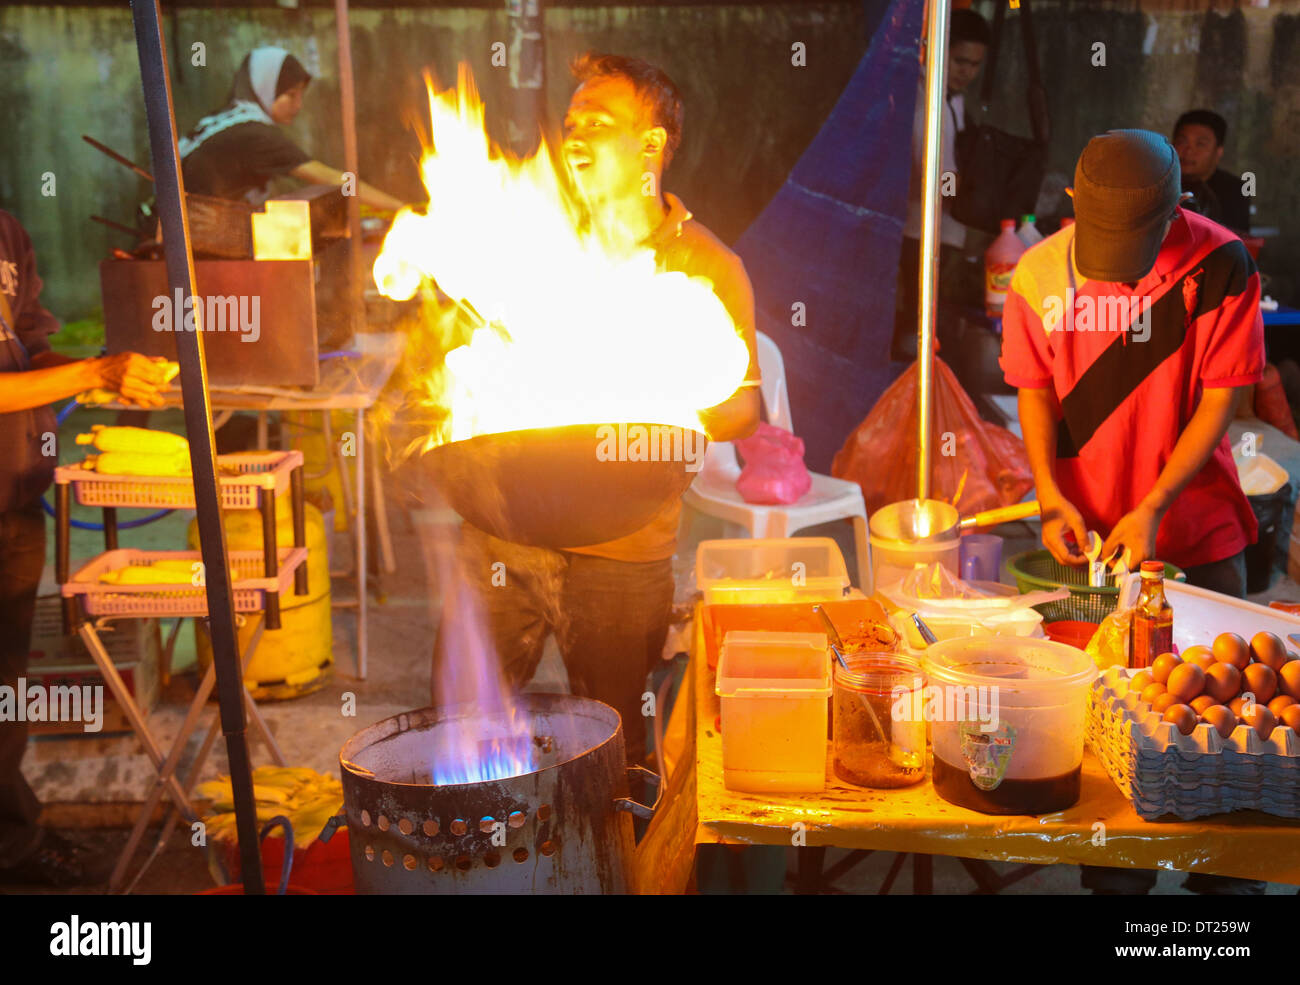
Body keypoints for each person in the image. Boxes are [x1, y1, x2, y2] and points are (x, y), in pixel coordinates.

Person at [433, 53, 761, 767]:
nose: (574, 136)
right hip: (504, 531)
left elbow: (744, 408)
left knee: (616, 751)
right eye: (571, 121)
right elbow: (479, 364)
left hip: (624, 547)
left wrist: (654, 398)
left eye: (600, 123)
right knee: (459, 736)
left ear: (652, 144)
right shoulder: (537, 243)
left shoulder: (708, 266)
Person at [1000, 130, 1265, 895]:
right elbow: (1035, 390)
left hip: (1197, 529)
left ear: (1177, 205)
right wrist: (1049, 495)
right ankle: (1119, 895)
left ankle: (1225, 901)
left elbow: (1223, 398)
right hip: (1090, 549)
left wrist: (1154, 502)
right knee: (1108, 746)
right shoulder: (1037, 273)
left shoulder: (1222, 264)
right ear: (1074, 205)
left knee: (1222, 726)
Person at [0, 209, 170, 887]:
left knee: (7, 687)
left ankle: (12, 841)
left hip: (14, 491)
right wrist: (98, 371)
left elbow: (31, 350)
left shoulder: (10, 228)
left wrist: (109, 374)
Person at [180, 46, 404, 210]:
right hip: (186, 243)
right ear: (264, 87)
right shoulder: (254, 135)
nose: (298, 106)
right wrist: (402, 209)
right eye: (290, 95)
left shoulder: (228, 118)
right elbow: (334, 179)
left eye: (300, 96)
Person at [891, 7, 990, 362]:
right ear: (938, 49)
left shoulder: (954, 101)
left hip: (944, 233)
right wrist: (967, 192)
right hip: (920, 234)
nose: (967, 72)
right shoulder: (923, 101)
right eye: (960, 60)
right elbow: (936, 178)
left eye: (975, 64)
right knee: (917, 331)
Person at [1173, 109, 1250, 235]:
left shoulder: (1235, 190)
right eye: (1182, 142)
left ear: (1218, 151)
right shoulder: (1159, 183)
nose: (1188, 151)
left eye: (1200, 144)